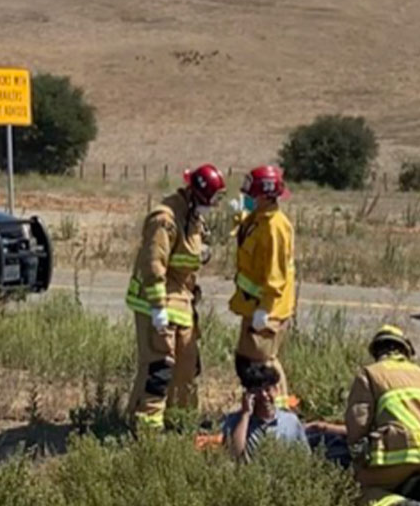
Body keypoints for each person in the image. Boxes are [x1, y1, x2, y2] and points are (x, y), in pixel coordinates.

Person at [126, 165, 226, 431]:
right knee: (160, 366)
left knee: (187, 366)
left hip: (181, 302)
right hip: (157, 304)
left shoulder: (192, 216)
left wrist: (202, 253)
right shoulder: (165, 219)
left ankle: (182, 421)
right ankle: (148, 427)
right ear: (196, 195)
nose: (213, 206)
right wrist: (158, 309)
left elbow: (185, 256)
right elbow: (153, 265)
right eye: (211, 200)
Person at [338, 324, 420, 506]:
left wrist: (359, 454)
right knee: (409, 471)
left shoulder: (370, 374)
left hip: (396, 451)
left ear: (376, 351)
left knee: (357, 491)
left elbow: (358, 421)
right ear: (405, 350)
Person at [228, 165, 296, 394]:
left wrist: (264, 309)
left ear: (265, 196)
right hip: (253, 305)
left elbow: (275, 274)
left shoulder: (275, 227)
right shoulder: (259, 219)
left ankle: (277, 415)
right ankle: (259, 411)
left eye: (252, 195)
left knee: (263, 364)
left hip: (267, 310)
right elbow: (247, 238)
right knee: (248, 362)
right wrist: (240, 217)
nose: (248, 197)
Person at [219, 363, 308, 462]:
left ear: (276, 390)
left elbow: (305, 457)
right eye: (258, 391)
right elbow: (233, 456)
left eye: (267, 389)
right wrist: (245, 415)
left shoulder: (291, 421)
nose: (264, 395)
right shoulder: (235, 421)